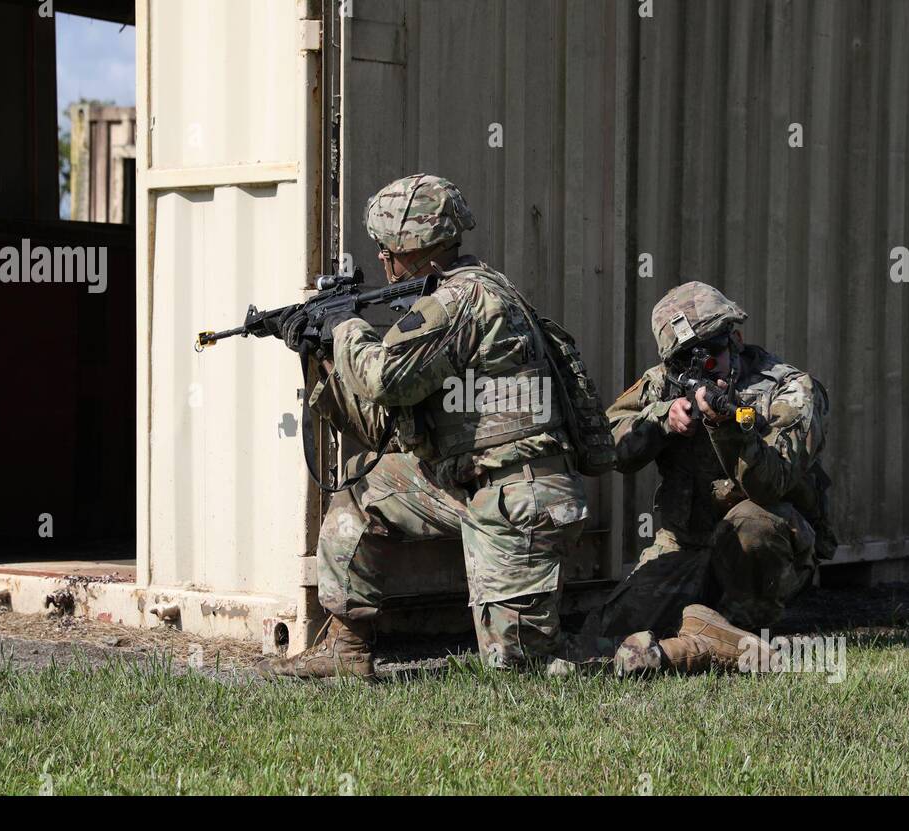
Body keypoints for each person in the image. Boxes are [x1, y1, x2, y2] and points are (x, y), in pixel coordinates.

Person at [258, 174, 590, 679]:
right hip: (469, 484)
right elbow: (385, 424)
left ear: (410, 249)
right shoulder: (459, 292)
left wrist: (343, 326)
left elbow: (385, 377)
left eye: (386, 251)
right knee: (363, 488)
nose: (384, 264)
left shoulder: (463, 300)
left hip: (519, 494)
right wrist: (321, 354)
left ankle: (669, 647)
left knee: (522, 672)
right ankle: (345, 650)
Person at [587, 282, 836, 676]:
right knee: (609, 633)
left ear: (735, 340)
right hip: (686, 545)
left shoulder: (789, 390)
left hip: (764, 543)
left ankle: (742, 629)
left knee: (753, 523)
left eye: (713, 352)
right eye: (686, 358)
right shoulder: (663, 382)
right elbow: (603, 446)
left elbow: (771, 484)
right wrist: (661, 419)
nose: (703, 366)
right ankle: (713, 637)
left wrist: (729, 426)